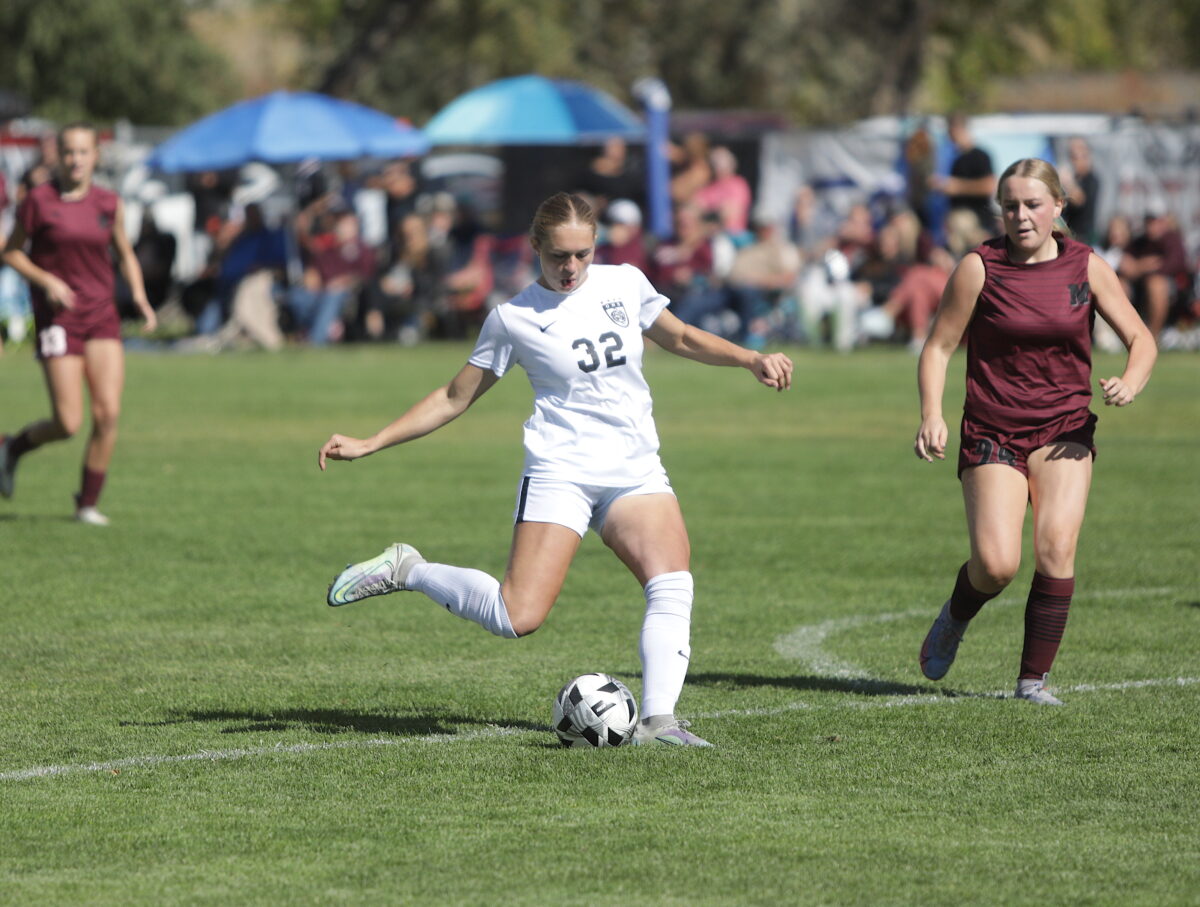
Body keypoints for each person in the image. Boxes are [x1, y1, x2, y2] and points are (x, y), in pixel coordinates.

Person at [318, 192, 793, 747]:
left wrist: (751, 358)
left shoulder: (625, 284)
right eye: (558, 257)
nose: (571, 268)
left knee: (671, 585)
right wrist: (372, 442)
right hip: (560, 471)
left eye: (582, 255)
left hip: (634, 469)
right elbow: (453, 396)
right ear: (535, 247)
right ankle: (410, 569)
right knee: (516, 616)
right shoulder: (513, 318)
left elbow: (682, 336)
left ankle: (660, 724)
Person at [914, 158, 1156, 705]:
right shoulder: (979, 267)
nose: (1020, 216)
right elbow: (938, 347)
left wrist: (1131, 381)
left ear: (1058, 207)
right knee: (997, 565)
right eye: (1010, 206)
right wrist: (933, 413)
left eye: (1032, 205)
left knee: (1056, 548)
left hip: (1065, 427)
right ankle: (956, 613)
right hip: (993, 427)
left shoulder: (1086, 266)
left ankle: (1032, 682)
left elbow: (1142, 339)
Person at [0, 122, 157, 525]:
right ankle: (12, 448)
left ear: (95, 157)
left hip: (101, 315)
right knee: (68, 422)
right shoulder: (38, 200)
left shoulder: (108, 202)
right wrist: (46, 280)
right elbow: (11, 252)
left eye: (83, 152)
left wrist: (139, 296)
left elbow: (124, 252)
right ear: (60, 155)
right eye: (69, 151)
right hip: (59, 320)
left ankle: (87, 503)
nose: (75, 159)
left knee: (107, 414)